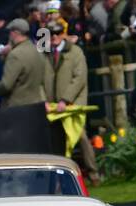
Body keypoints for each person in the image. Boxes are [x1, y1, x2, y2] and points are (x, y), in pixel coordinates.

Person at [50, 25, 99, 183]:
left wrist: (66, 99)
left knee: (81, 136)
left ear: (63, 34)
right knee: (59, 140)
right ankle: (61, 178)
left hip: (73, 104)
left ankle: (94, 174)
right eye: (50, 34)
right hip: (55, 105)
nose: (53, 37)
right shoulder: (47, 53)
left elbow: (79, 78)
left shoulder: (76, 52)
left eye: (57, 33)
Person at [0, 18, 53, 106]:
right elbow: (47, 79)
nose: (9, 36)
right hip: (37, 104)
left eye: (10, 32)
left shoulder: (15, 55)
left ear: (15, 33)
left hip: (18, 106)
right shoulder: (38, 51)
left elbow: (6, 85)